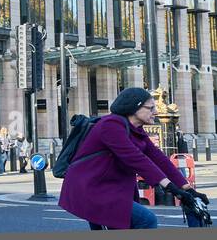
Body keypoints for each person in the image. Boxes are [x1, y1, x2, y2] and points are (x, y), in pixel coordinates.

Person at [59, 88, 205, 230]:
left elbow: (158, 158)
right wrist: (171, 187)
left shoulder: (135, 129)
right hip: (92, 190)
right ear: (135, 108)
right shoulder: (110, 125)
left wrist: (187, 188)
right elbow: (136, 159)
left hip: (110, 190)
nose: (155, 112)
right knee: (146, 220)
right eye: (150, 108)